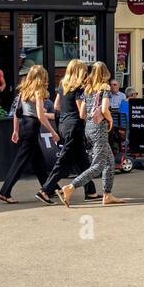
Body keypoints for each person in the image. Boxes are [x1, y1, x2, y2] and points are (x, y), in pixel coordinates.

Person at [59, 62, 125, 207]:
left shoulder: (87, 89)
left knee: (109, 162)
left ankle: (107, 195)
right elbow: (105, 109)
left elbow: (82, 114)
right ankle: (71, 187)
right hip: (100, 129)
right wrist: (111, 120)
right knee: (98, 165)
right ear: (105, 73)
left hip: (88, 127)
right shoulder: (105, 88)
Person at [0, 65, 59, 204]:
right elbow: (41, 116)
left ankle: (51, 188)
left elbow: (17, 113)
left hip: (25, 125)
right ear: (41, 77)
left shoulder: (23, 91)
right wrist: (53, 132)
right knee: (20, 162)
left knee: (38, 162)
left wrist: (16, 130)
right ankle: (5, 192)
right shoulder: (37, 92)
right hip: (32, 127)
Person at [40, 59, 98, 202]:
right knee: (64, 162)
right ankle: (45, 190)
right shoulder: (79, 88)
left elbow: (56, 106)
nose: (86, 72)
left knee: (82, 161)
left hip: (64, 126)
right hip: (74, 127)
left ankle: (90, 192)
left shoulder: (62, 85)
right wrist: (94, 114)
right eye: (84, 69)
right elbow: (82, 112)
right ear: (80, 71)